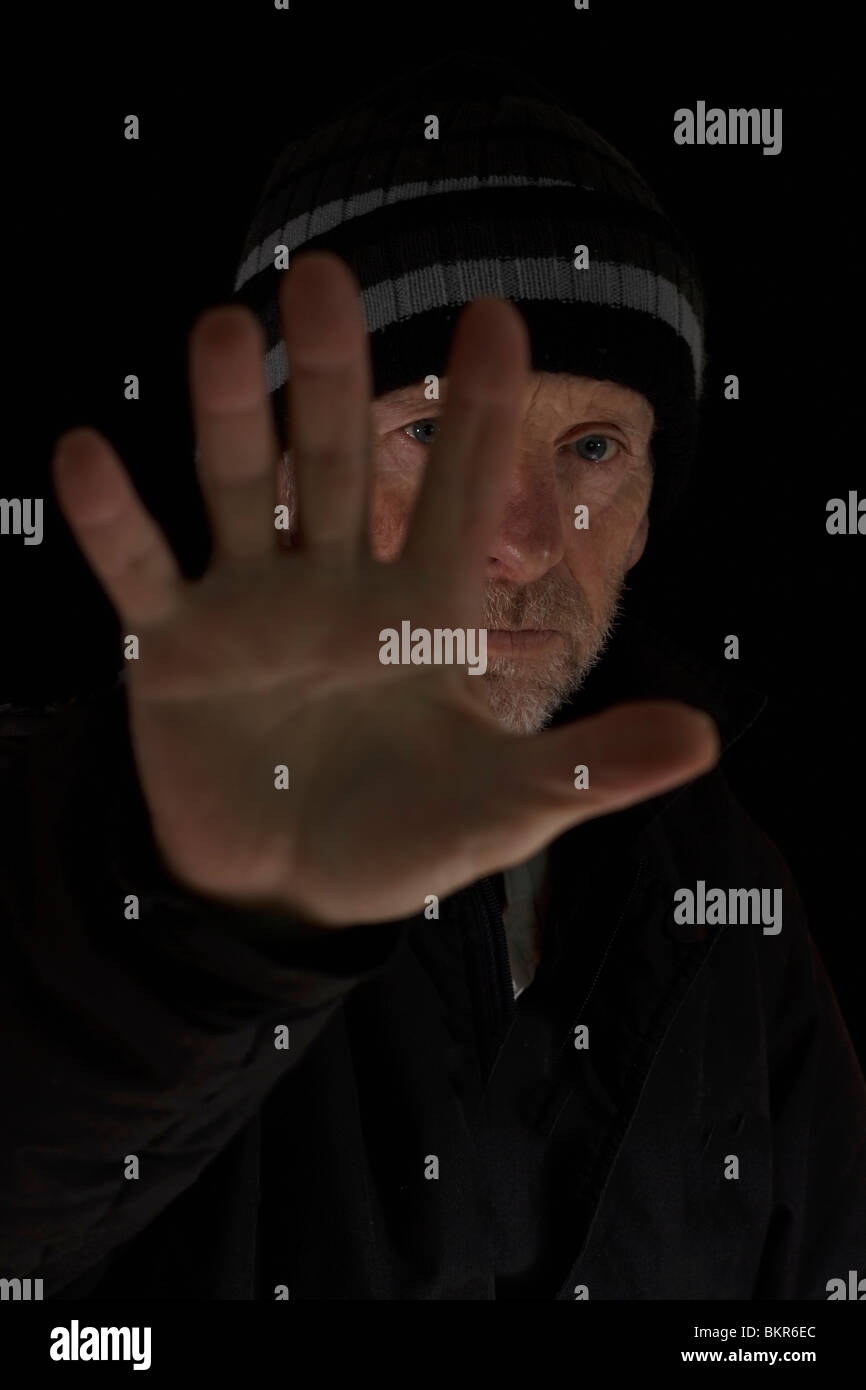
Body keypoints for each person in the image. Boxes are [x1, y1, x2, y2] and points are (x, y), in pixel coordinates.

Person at [1, 53, 863, 1302]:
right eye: (428, 430)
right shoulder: (77, 854)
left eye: (590, 447)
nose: (519, 533)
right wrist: (200, 939)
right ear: (281, 475)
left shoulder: (721, 884)